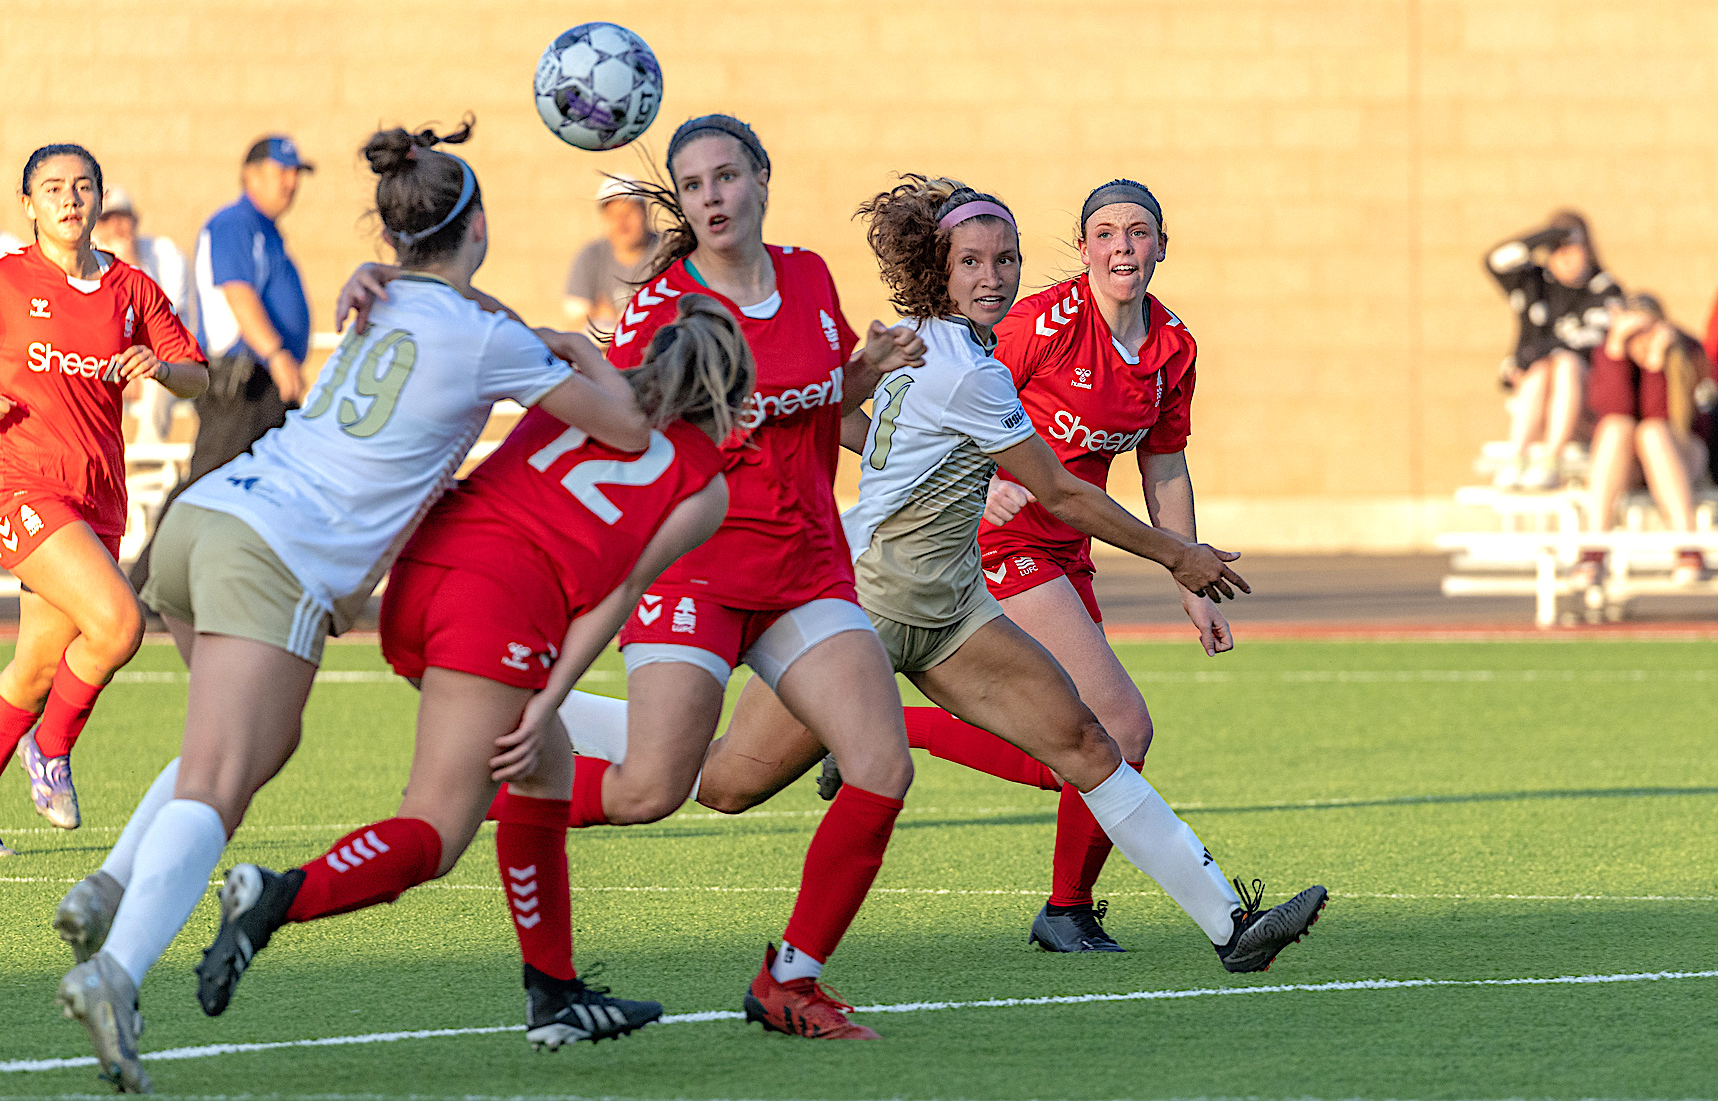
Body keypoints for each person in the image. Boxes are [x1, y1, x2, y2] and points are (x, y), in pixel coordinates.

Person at [51, 118, 650, 1094]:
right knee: (226, 768)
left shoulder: (383, 300)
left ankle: (112, 882)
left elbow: (448, 308)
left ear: (395, 235)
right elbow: (625, 420)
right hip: (276, 554)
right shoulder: (485, 334)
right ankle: (115, 973)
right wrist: (572, 346)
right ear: (480, 227)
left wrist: (503, 324)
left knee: (248, 745)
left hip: (208, 515)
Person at [693, 176, 1324, 977]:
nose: (994, 277)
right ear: (941, 269)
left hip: (951, 599)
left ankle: (1231, 926)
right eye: (973, 262)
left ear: (1163, 243)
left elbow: (881, 421)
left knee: (1095, 742)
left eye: (1007, 258)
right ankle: (547, 736)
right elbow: (1056, 488)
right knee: (721, 782)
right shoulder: (990, 350)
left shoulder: (995, 345)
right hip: (879, 595)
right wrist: (1178, 556)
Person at [193, 294, 751, 1052]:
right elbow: (617, 592)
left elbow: (511, 325)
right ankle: (276, 896)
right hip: (497, 604)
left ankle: (553, 992)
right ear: (733, 395)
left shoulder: (585, 378)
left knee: (547, 767)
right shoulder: (705, 486)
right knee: (436, 830)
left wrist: (395, 275)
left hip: (425, 568)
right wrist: (546, 692)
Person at [507, 114, 927, 1042]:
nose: (711, 196)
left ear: (762, 179)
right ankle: (498, 799)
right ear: (685, 204)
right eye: (693, 185)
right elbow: (620, 426)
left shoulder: (812, 275)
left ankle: (791, 980)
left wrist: (868, 367)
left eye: (726, 176)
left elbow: (819, 404)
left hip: (808, 568)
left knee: (882, 765)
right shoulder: (666, 305)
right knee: (653, 790)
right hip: (695, 569)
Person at [819, 178, 1254, 953]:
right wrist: (979, 485)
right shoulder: (1037, 325)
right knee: (1117, 726)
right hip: (997, 547)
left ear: (1161, 244)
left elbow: (1165, 466)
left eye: (1140, 232)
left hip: (1068, 550)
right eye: (1107, 233)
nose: (1124, 246)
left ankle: (907, 732)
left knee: (1078, 742)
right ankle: (1069, 909)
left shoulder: (1173, 347)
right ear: (1082, 249)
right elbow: (931, 404)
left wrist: (1188, 585)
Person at [0, 145, 207, 858]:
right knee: (119, 623)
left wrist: (164, 367)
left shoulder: (133, 291)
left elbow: (198, 380)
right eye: (52, 188)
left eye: (82, 186)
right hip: (22, 484)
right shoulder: (6, 282)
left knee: (32, 670)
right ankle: (50, 751)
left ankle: (34, 734)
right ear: (28, 205)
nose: (69, 199)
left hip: (98, 495)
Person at [128, 135, 314, 588]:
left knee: (273, 487)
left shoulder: (266, 231)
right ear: (250, 175)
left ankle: (255, 587)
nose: (290, 182)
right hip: (241, 380)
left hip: (265, 383)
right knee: (206, 481)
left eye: (295, 173)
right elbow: (238, 294)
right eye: (280, 171)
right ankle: (145, 586)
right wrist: (276, 353)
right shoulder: (235, 224)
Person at [1581, 294, 1714, 586]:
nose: (1640, 341)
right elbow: (1614, 409)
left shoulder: (1686, 351)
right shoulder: (1609, 354)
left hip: (1680, 455)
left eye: (1646, 332)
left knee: (1652, 433)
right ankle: (1594, 549)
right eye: (1632, 334)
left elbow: (1665, 417)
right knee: (1616, 426)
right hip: (1627, 464)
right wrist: (1616, 350)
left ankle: (1688, 547)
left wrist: (1657, 362)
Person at [1484, 211, 1622, 490]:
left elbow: (1588, 342)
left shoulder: (1603, 289)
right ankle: (1518, 456)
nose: (1567, 257)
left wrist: (1526, 358)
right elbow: (1494, 261)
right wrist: (1547, 235)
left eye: (1574, 248)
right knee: (1542, 368)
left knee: (1564, 362)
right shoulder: (1536, 283)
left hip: (1584, 405)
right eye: (1558, 249)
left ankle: (1552, 460)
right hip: (1536, 398)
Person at [91, 188, 193, 445]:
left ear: (135, 220)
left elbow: (168, 325)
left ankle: (147, 457)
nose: (115, 228)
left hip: (166, 357)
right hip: (110, 359)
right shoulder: (85, 262)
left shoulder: (165, 253)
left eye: (121, 218)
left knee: (156, 369)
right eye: (106, 220)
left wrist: (130, 264)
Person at [562, 174, 657, 333]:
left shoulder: (668, 252)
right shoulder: (590, 257)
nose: (621, 223)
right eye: (613, 215)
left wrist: (608, 319)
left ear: (645, 213)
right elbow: (575, 324)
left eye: (628, 213)